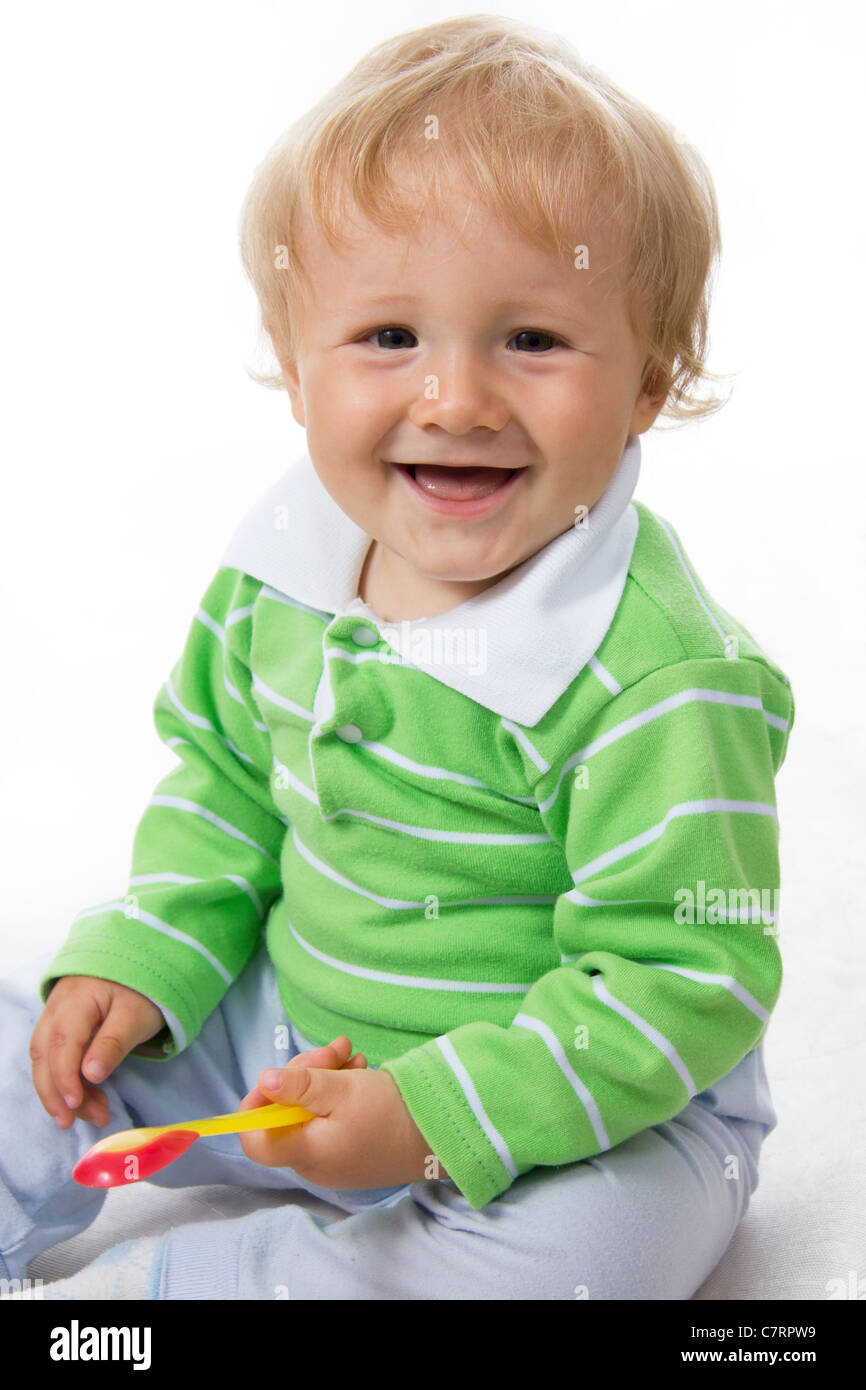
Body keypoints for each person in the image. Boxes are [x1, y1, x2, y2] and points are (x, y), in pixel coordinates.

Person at [0, 14, 794, 1300]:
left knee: (585, 1258)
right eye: (387, 339)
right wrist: (148, 952)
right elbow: (223, 778)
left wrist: (427, 1112)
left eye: (530, 340)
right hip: (284, 1042)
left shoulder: (657, 673)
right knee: (40, 1029)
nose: (455, 399)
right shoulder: (286, 564)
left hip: (582, 1109)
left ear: (649, 379)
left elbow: (681, 979)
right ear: (295, 368)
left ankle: (204, 1289)